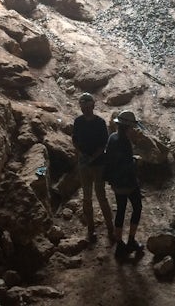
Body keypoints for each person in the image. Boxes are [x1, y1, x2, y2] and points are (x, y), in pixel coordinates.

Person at [71, 92, 115, 243]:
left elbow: (103, 144)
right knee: (87, 197)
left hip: (97, 164)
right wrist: (83, 154)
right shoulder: (78, 122)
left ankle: (111, 229)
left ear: (92, 106)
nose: (85, 110)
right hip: (85, 163)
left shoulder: (100, 123)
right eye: (82, 107)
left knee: (101, 196)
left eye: (87, 107)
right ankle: (91, 230)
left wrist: (91, 157)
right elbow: (75, 140)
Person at [104, 109, 144, 257]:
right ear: (127, 127)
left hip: (116, 183)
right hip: (127, 183)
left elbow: (110, 160)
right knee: (137, 207)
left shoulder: (112, 138)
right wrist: (135, 161)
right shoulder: (125, 143)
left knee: (120, 211)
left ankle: (120, 245)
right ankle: (131, 240)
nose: (133, 130)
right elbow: (127, 166)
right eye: (132, 127)